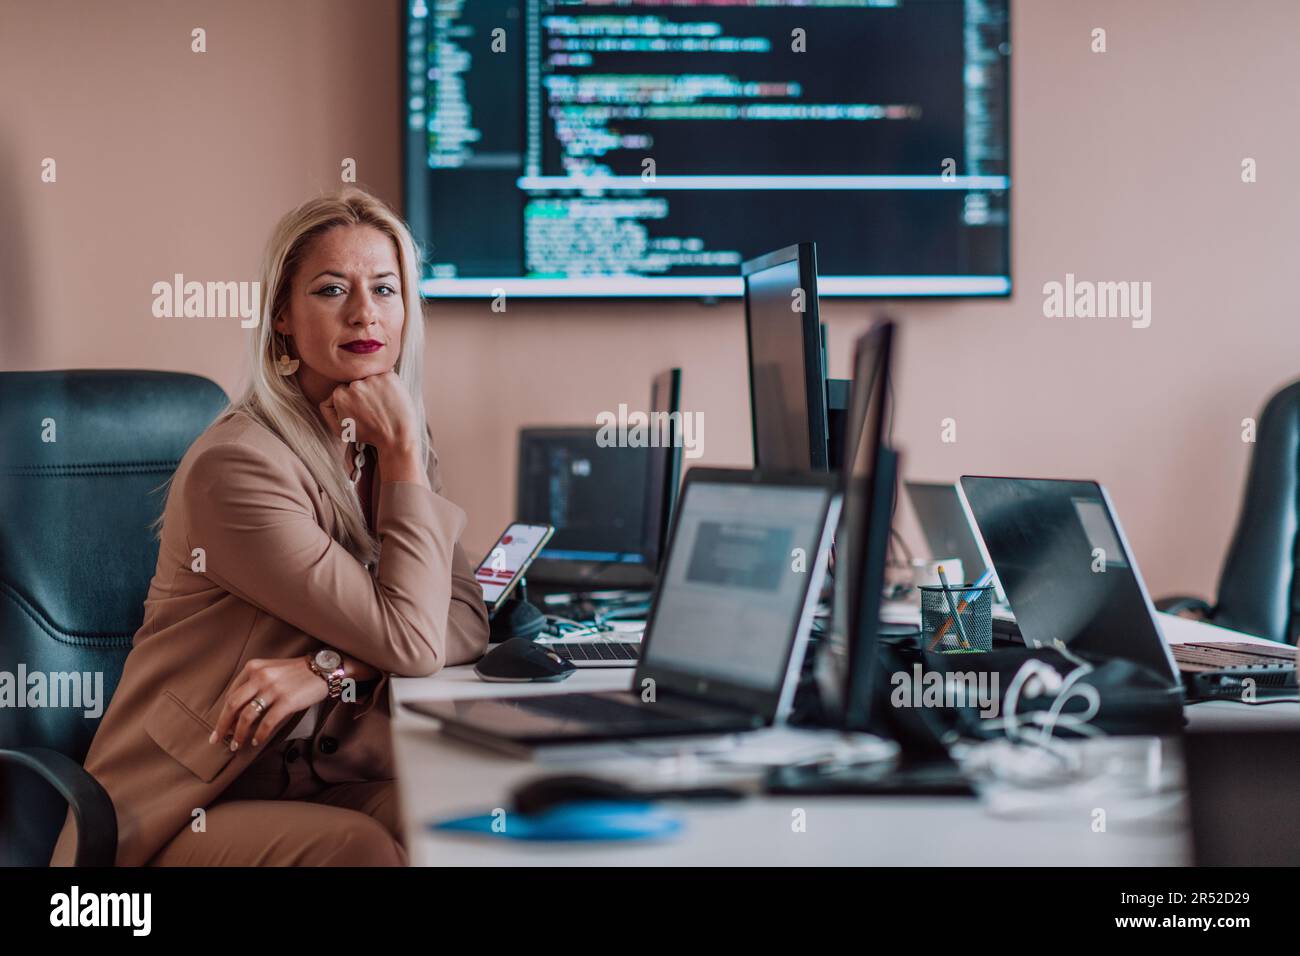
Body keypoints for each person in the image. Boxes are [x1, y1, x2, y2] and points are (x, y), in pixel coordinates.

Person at [49, 188, 489, 866]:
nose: (365, 312)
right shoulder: (240, 467)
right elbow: (412, 640)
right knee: (361, 850)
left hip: (312, 780)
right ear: (282, 316)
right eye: (332, 289)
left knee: (470, 811)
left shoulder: (388, 441)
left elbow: (461, 617)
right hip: (185, 805)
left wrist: (328, 672)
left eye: (385, 288)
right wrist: (405, 455)